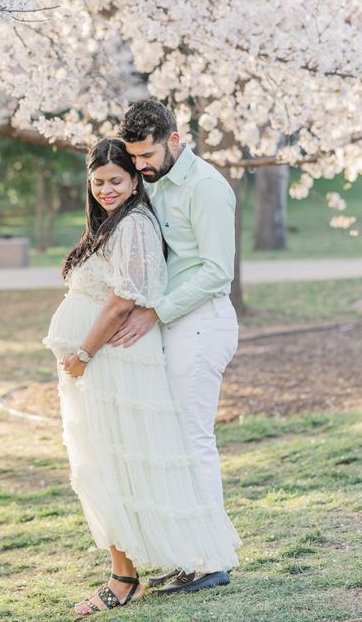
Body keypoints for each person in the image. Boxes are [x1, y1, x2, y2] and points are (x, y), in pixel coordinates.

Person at [43, 138, 241, 617]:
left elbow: (122, 299)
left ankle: (183, 564)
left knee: (149, 452)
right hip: (106, 359)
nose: (107, 189)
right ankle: (178, 560)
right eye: (99, 182)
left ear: (134, 181)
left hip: (121, 355)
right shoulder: (115, 223)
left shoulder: (142, 218)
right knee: (123, 457)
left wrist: (85, 351)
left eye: (117, 179)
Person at [112, 98, 241, 595]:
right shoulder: (155, 184)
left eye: (146, 155)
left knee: (193, 441)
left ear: (174, 139)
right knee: (174, 445)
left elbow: (215, 271)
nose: (139, 166)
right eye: (133, 157)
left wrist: (153, 312)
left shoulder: (206, 188)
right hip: (172, 325)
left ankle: (210, 561)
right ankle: (190, 556)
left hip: (202, 323)